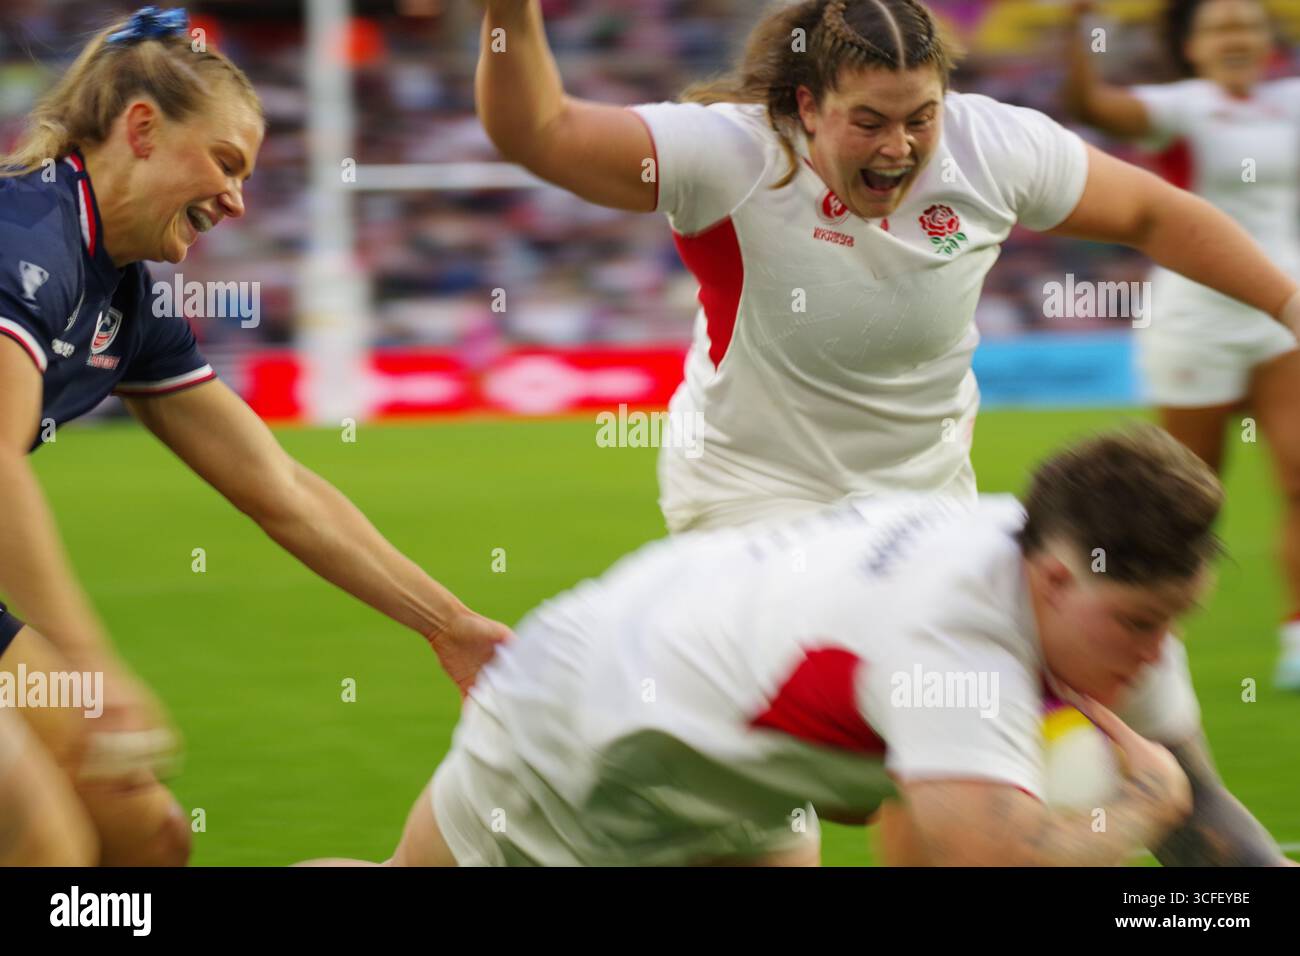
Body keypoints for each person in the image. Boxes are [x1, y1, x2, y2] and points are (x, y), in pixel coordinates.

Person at [475, 0, 1300, 536]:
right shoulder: (731, 154)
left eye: (921, 118)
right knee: (780, 768)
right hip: (749, 499)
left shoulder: (996, 145)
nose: (899, 146)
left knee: (942, 761)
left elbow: (1157, 213)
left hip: (928, 502)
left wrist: (1289, 303)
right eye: (868, 121)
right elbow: (538, 134)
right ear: (803, 106)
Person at [0, 6, 508, 866]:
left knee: (147, 837)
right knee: (45, 843)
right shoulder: (24, 237)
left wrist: (447, 624)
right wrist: (98, 670)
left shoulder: (129, 295)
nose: (237, 200)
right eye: (226, 164)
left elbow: (281, 488)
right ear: (142, 128)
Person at [327, 425, 1293, 866]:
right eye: (1138, 623)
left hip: (726, 752)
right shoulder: (950, 642)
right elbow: (992, 855)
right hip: (579, 729)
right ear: (1051, 579)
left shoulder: (1083, 577)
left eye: (1174, 621)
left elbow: (1207, 821)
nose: (1158, 651)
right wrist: (1136, 811)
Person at [1063, 0, 1300, 690]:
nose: (1237, 38)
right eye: (1220, 27)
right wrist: (1080, 32)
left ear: (1268, 41)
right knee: (1188, 497)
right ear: (1191, 47)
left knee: (1298, 475)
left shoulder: (1291, 100)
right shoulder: (1181, 108)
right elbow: (1092, 107)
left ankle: (1295, 638)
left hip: (1283, 310)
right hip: (1195, 317)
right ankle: (1150, 642)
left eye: (1249, 26)